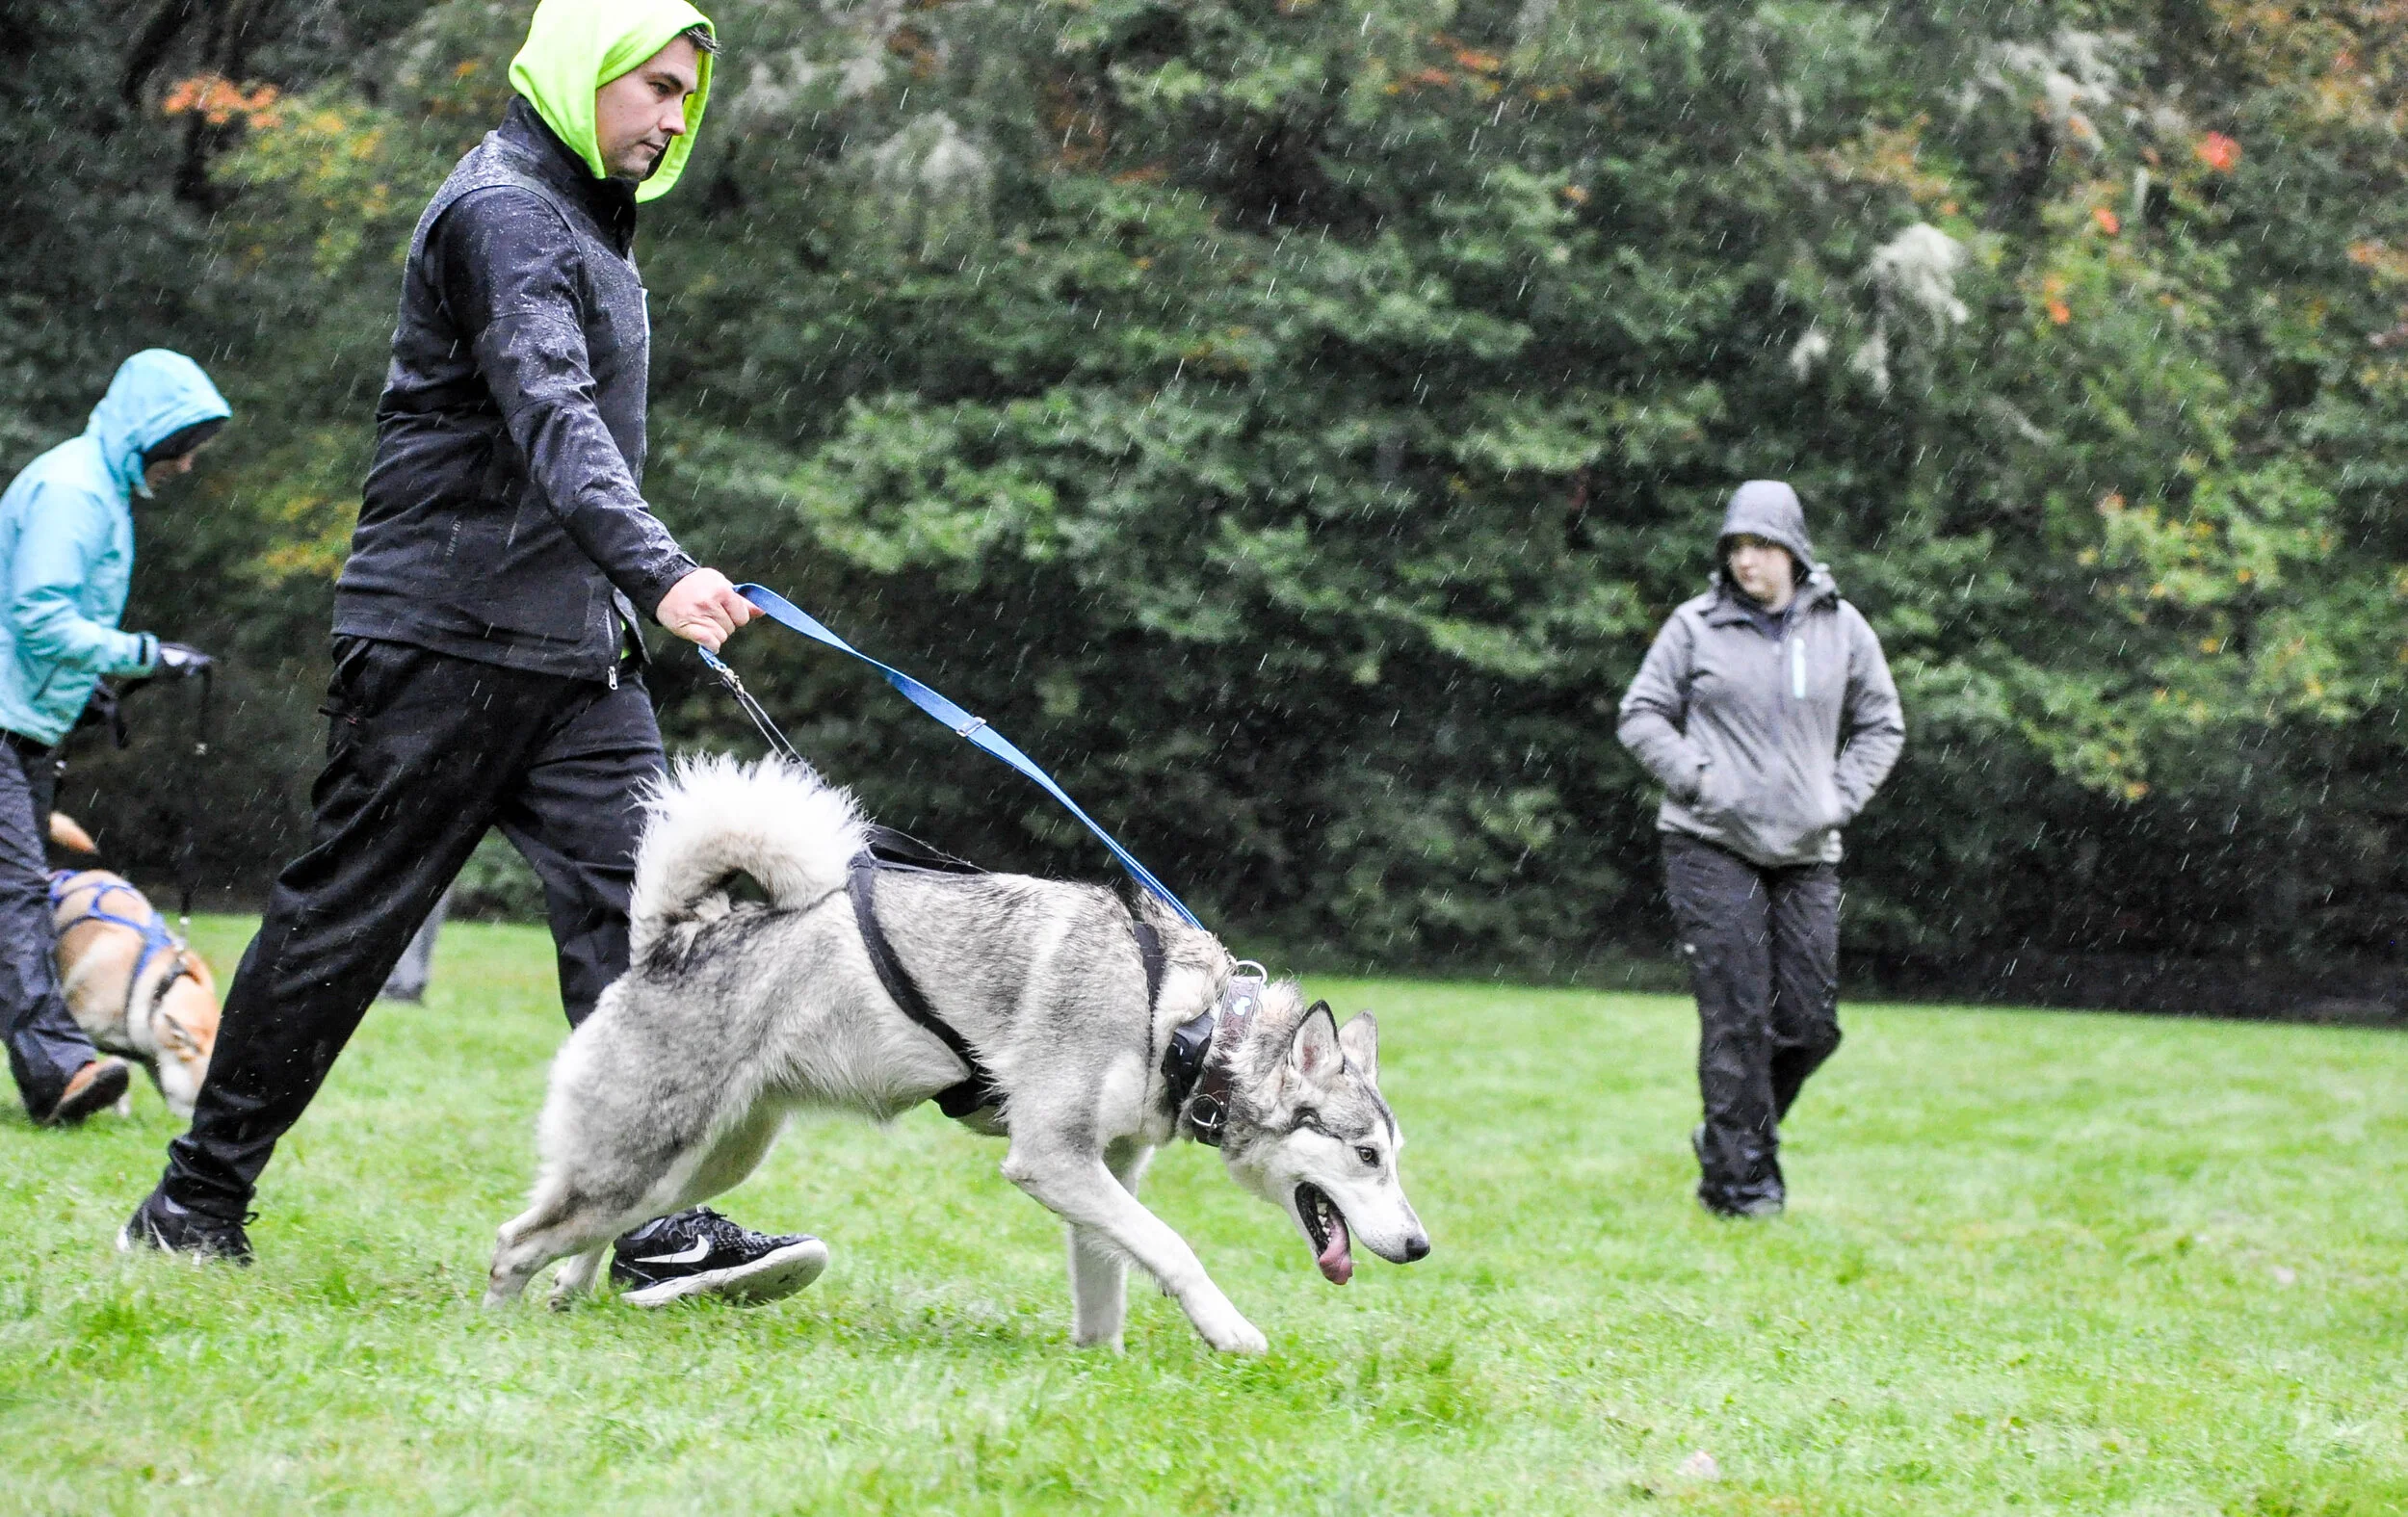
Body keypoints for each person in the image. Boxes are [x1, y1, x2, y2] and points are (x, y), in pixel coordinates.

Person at [124, 0, 830, 1307]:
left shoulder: (588, 221)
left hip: (574, 656)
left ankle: (652, 1223)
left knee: (655, 923)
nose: (675, 117)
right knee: (343, 930)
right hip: (440, 639)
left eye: (688, 94)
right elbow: (552, 409)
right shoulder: (504, 213)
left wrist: (622, 595)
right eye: (654, 85)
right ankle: (193, 1204)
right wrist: (661, 569)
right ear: (581, 70)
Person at [1617, 481, 1904, 1217]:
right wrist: (1699, 779)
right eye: (1736, 547)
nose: (1747, 560)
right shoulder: (1696, 626)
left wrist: (1838, 797)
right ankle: (1742, 1189)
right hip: (1710, 843)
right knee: (1738, 1019)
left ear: (1793, 550)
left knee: (1811, 1024)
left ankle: (1729, 1137)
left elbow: (1883, 723)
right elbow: (1641, 713)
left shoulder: (1842, 627)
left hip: (1807, 849)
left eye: (1762, 545)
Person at [0, 351, 223, 1126]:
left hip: (24, 720)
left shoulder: (97, 488)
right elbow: (39, 617)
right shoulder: (74, 490)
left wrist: (87, 688)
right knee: (16, 894)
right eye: (182, 444)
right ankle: (62, 1072)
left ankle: (55, 1071)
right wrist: (144, 654)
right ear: (146, 431)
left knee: (17, 893)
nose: (187, 462)